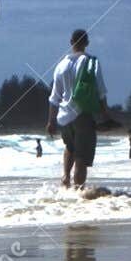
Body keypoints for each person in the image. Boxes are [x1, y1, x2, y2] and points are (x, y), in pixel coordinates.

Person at [46, 28, 107, 190]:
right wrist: (105, 115)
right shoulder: (91, 62)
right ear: (87, 43)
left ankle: (65, 178)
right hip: (83, 114)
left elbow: (54, 97)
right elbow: (100, 92)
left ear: (71, 42)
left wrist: (50, 121)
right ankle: (78, 192)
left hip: (64, 117)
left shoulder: (61, 65)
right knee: (81, 157)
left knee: (70, 148)